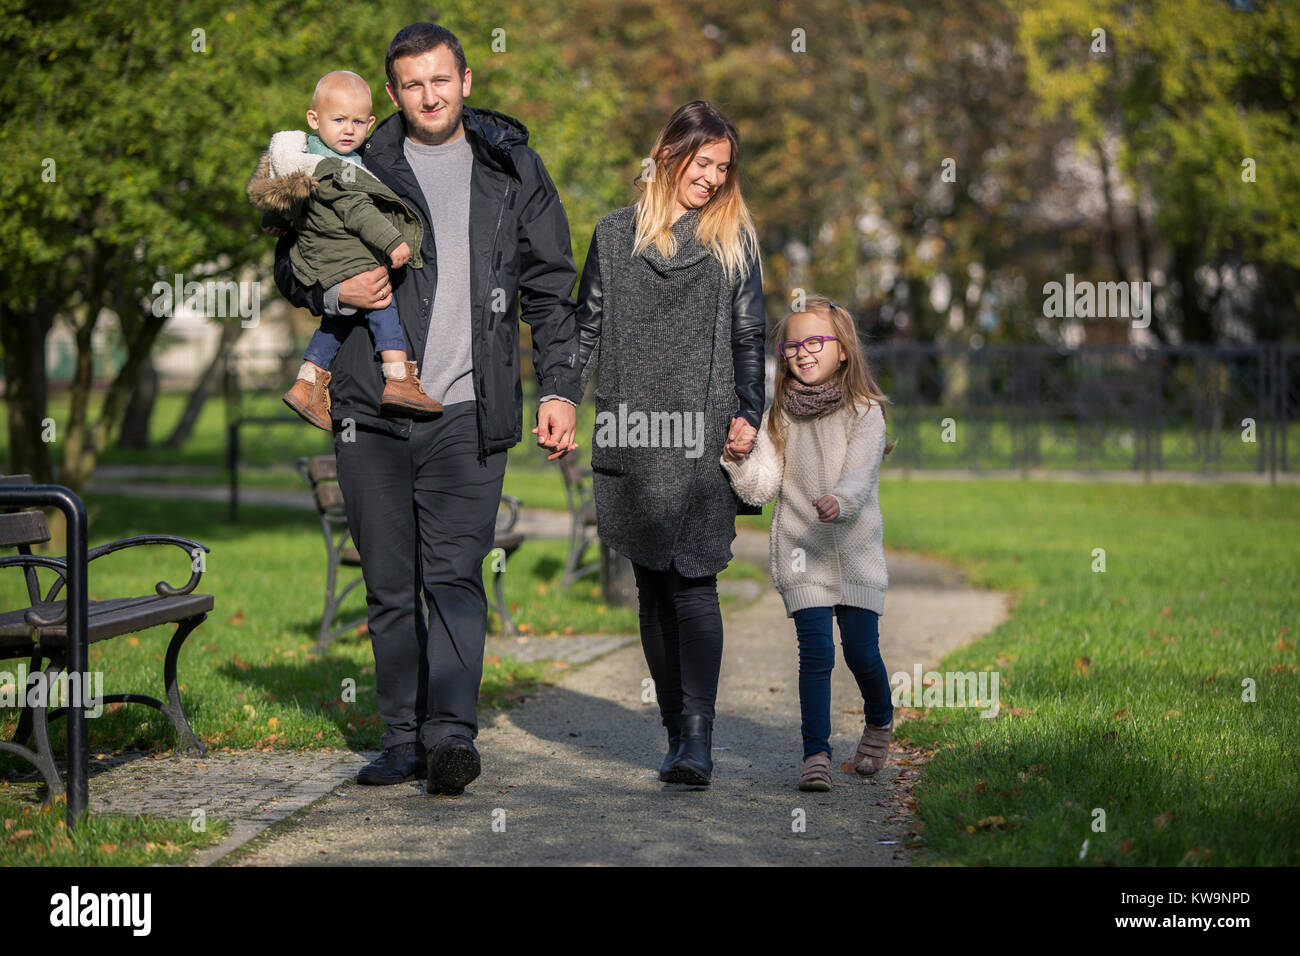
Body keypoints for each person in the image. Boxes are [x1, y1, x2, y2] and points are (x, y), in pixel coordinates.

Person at [269, 22, 582, 795]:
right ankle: (402, 738)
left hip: (469, 411)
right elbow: (289, 259)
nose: (429, 95)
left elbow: (550, 284)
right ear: (394, 93)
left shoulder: (512, 166)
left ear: (466, 82)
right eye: (412, 84)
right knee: (387, 581)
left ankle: (449, 737)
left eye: (441, 80)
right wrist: (330, 291)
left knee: (453, 577)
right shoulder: (353, 160)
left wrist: (563, 388)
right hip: (370, 408)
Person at [574, 101, 766, 787]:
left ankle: (697, 739)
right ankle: (673, 728)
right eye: (702, 162)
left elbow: (749, 335)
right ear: (669, 155)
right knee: (651, 586)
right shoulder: (611, 235)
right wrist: (562, 397)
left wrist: (752, 408)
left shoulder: (732, 241)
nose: (712, 178)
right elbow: (584, 327)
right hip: (631, 428)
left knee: (694, 582)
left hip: (705, 429)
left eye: (723, 167)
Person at [720, 294, 898, 791]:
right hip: (801, 555)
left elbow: (861, 476)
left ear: (843, 349)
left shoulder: (866, 411)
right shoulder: (781, 416)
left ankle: (880, 719)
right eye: (793, 343)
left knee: (862, 654)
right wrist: (738, 457)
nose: (802, 351)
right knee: (816, 654)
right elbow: (761, 485)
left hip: (857, 557)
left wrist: (839, 500)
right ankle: (815, 754)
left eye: (815, 341)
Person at [248, 69, 440, 429]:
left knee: (338, 319)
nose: (348, 130)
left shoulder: (302, 158)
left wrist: (269, 221)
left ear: (369, 122)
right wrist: (393, 241)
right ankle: (399, 378)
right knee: (382, 305)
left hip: (320, 262)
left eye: (357, 122)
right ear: (314, 119)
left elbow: (280, 193)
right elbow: (358, 210)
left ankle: (309, 379)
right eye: (339, 120)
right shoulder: (337, 168)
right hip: (348, 258)